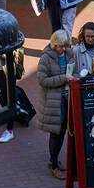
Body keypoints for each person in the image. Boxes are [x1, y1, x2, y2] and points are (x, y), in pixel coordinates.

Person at [37, 29, 74, 177]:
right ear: (54, 44)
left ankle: (54, 159)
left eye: (65, 46)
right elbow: (42, 80)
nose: (63, 49)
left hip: (67, 99)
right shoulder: (46, 58)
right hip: (53, 101)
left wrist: (74, 77)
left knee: (63, 130)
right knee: (55, 132)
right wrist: (63, 78)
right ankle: (53, 164)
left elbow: (74, 71)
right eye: (60, 46)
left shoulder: (69, 54)